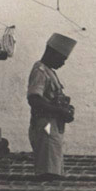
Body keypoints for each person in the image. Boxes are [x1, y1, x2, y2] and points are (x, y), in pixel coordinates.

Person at [28, 32, 77, 177]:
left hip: (52, 126)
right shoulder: (40, 71)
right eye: (62, 59)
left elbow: (52, 98)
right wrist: (59, 111)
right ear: (52, 53)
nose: (63, 63)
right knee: (48, 173)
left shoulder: (50, 72)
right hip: (46, 127)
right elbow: (34, 99)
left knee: (53, 168)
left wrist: (66, 109)